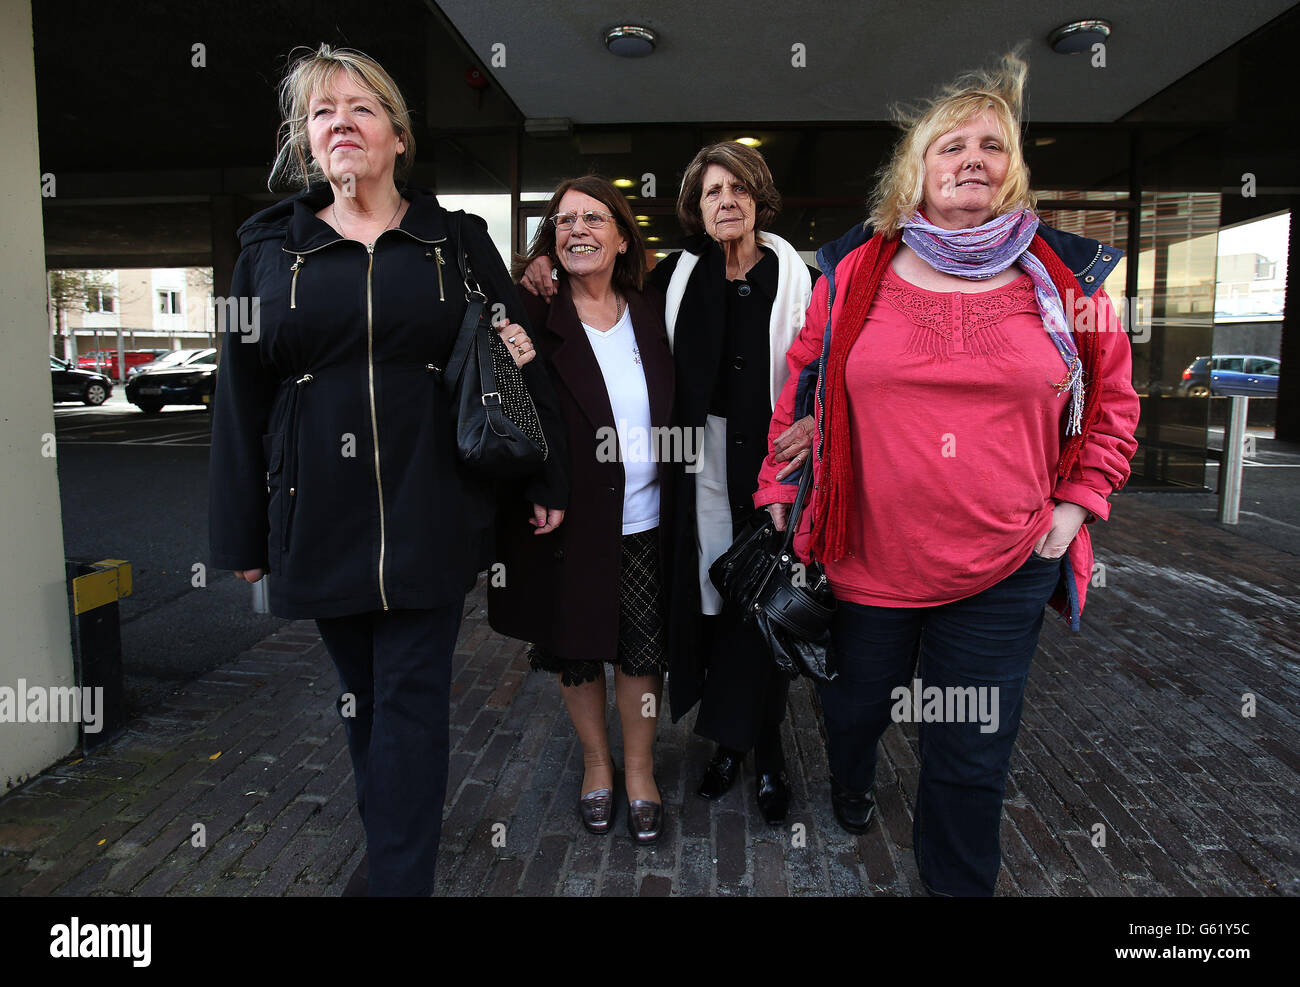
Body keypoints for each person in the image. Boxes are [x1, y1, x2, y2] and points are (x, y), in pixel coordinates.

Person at [753, 53, 1140, 896]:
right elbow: (801, 379)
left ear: (1014, 172)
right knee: (856, 707)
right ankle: (853, 772)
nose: (973, 158)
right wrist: (780, 484)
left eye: (993, 146)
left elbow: (1114, 403)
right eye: (951, 145)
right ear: (916, 173)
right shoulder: (855, 272)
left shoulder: (1069, 282)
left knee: (970, 754)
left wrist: (1075, 509)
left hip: (1003, 563)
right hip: (865, 559)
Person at [208, 44, 567, 896]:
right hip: (317, 512)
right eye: (323, 112)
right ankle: (395, 849)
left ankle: (397, 878)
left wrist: (547, 476)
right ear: (307, 141)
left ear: (398, 136)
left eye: (362, 108)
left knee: (408, 696)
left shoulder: (457, 242)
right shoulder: (266, 250)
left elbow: (523, 362)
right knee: (365, 699)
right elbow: (238, 397)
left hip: (430, 504)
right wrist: (241, 531)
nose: (342, 123)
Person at [522, 143, 818, 825]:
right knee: (711, 608)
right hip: (696, 472)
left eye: (739, 189)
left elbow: (827, 364)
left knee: (767, 608)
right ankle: (724, 741)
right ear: (697, 205)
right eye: (713, 191)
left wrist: (814, 423)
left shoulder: (799, 278)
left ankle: (766, 749)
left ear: (758, 197)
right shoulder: (675, 278)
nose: (726, 202)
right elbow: (576, 277)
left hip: (772, 470)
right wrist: (540, 260)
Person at [489, 177, 674, 843]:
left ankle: (640, 770)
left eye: (593, 217)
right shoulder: (535, 309)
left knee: (642, 649)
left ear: (622, 234)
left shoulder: (653, 305)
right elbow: (511, 409)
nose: (576, 230)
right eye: (563, 220)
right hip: (566, 516)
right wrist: (539, 485)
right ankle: (598, 764)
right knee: (575, 647)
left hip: (647, 514)